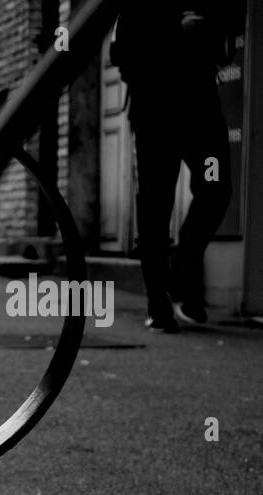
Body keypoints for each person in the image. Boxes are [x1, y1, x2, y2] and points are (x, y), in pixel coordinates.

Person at [114, 1, 239, 332]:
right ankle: (158, 302)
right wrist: (176, 34)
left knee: (216, 187)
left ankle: (184, 267)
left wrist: (209, 30)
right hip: (155, 114)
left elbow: (227, 39)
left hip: (201, 111)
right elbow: (123, 52)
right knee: (156, 203)